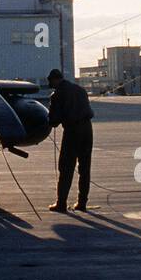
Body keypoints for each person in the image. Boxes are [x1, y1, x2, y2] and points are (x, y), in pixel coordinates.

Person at [46, 68, 93, 212]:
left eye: (50, 81)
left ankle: (61, 203)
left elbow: (54, 120)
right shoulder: (80, 90)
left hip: (72, 131)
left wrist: (47, 121)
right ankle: (82, 202)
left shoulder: (57, 94)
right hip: (87, 129)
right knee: (84, 167)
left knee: (66, 167)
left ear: (54, 80)